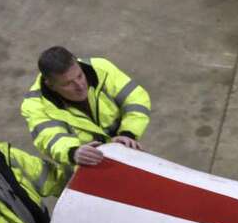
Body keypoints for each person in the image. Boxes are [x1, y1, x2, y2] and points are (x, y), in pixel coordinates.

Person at [21, 46, 151, 168]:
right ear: (50, 85)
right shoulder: (35, 106)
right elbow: (51, 138)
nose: (80, 86)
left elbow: (136, 99)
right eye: (68, 84)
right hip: (88, 166)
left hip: (126, 150)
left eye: (80, 76)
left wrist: (128, 133)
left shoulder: (100, 68)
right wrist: (74, 152)